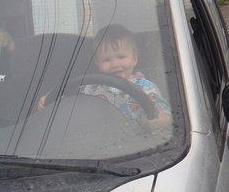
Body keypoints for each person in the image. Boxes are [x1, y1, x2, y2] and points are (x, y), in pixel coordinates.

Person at [39, 25, 171, 131]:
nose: (115, 64)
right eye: (107, 60)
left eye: (121, 57)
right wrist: (49, 101)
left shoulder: (147, 88)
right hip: (100, 140)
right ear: (98, 63)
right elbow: (69, 102)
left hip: (137, 142)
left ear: (135, 59)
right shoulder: (91, 87)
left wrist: (163, 121)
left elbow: (166, 118)